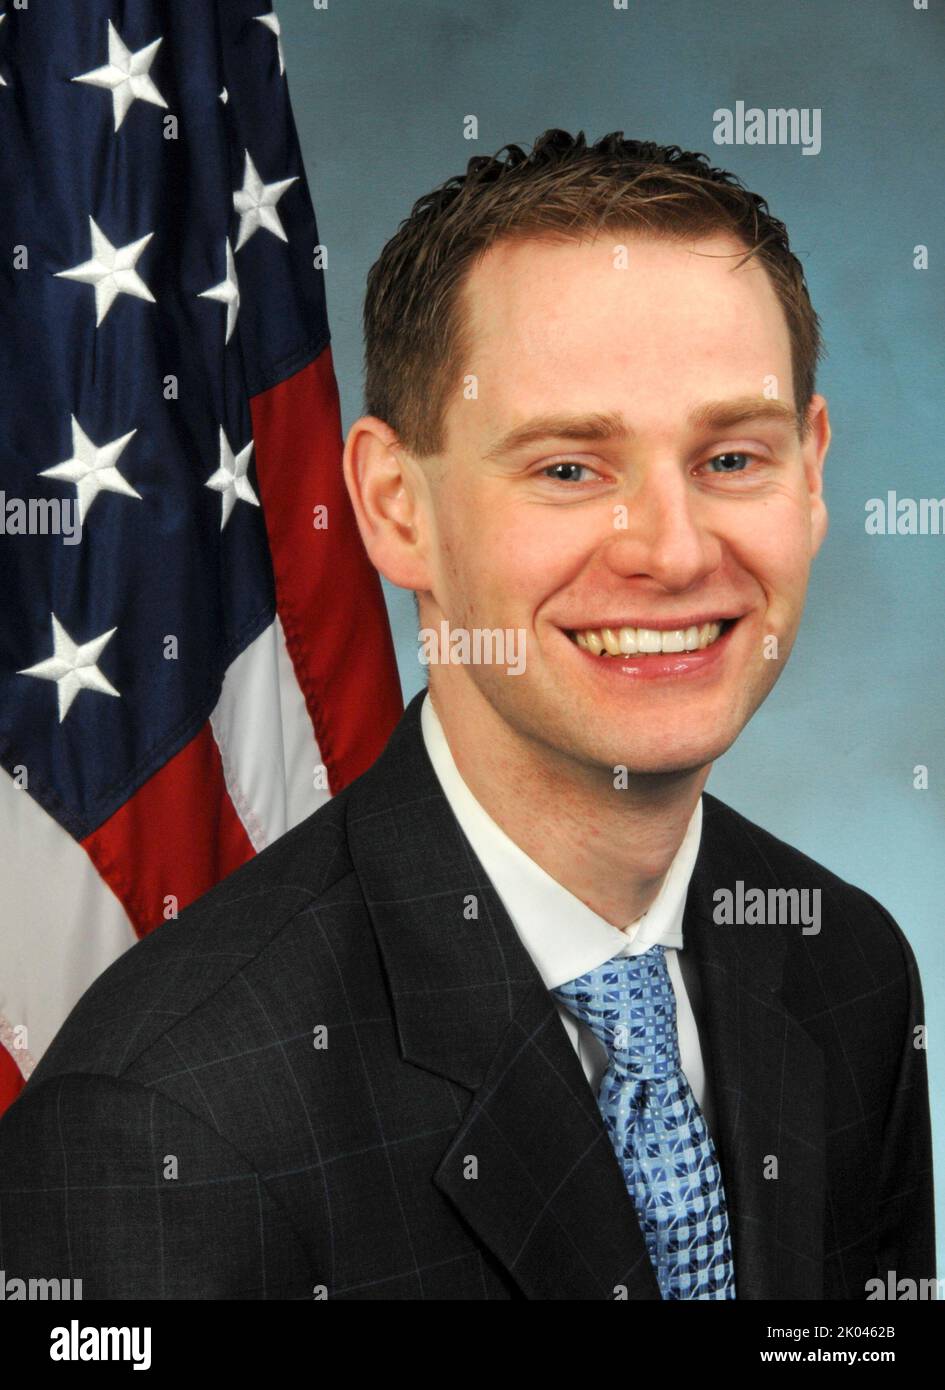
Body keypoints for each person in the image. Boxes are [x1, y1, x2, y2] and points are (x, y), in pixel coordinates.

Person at [0, 130, 934, 1300]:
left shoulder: (848, 970)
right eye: (567, 469)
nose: (674, 549)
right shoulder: (165, 1125)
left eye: (732, 457)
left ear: (813, 470)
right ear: (396, 507)